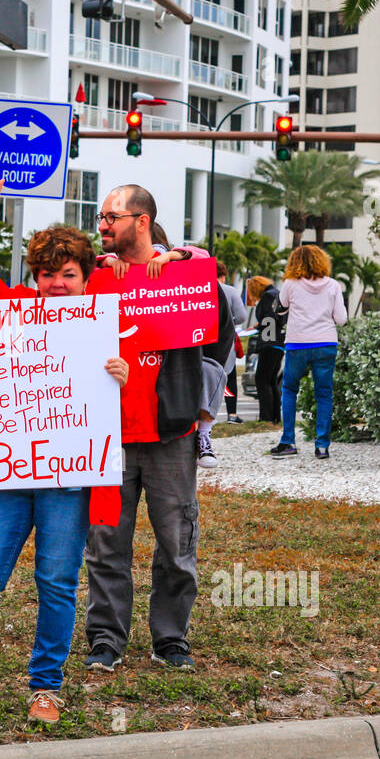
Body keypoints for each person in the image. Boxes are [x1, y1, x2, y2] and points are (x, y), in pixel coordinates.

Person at [0, 165, 129, 726]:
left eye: (68, 274)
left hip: (69, 477)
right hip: (9, 472)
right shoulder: (11, 312)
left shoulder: (104, 325)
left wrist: (119, 376)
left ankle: (45, 688)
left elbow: (125, 293)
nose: (57, 284)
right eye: (47, 274)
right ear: (33, 278)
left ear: (86, 279)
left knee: (56, 583)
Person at [83, 184, 234, 671]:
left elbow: (220, 324)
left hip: (171, 433)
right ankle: (106, 639)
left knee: (177, 542)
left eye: (111, 216)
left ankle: (171, 638)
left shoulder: (182, 273)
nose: (103, 224)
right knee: (106, 544)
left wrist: (180, 256)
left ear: (142, 221)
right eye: (102, 216)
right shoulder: (97, 276)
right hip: (110, 433)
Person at [269, 245, 347, 460]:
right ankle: (322, 446)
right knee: (324, 394)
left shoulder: (290, 284)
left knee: (289, 390)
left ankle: (288, 441)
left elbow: (281, 307)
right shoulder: (333, 285)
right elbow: (342, 319)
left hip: (298, 344)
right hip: (325, 344)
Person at [247, 275, 285, 423]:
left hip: (269, 342)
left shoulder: (268, 296)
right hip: (279, 342)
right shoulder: (277, 294)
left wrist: (259, 326)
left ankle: (266, 417)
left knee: (262, 380)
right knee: (272, 381)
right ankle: (275, 417)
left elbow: (269, 319)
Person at [216, 261, 247, 424]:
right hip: (226, 340)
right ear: (223, 275)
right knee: (230, 376)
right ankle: (232, 414)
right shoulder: (230, 291)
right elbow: (242, 316)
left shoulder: (201, 289)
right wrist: (230, 322)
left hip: (204, 339)